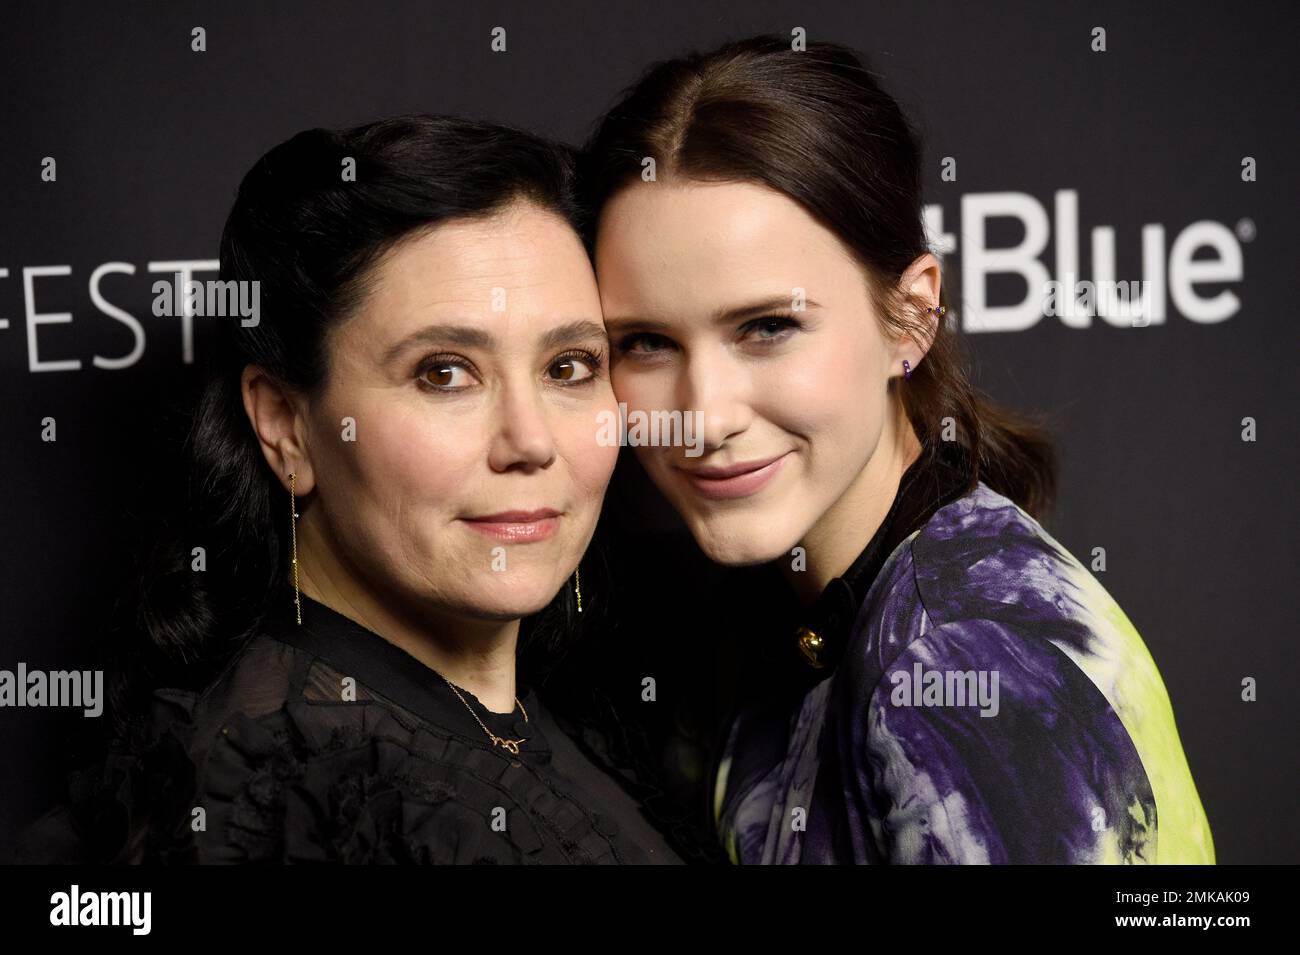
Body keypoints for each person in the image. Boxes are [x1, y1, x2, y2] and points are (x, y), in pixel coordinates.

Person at [579, 35, 1215, 864]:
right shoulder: (805, 617)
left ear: (911, 318)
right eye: (646, 343)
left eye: (768, 327)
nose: (704, 415)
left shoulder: (958, 665)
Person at [12, 114, 681, 864]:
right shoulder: (291, 807)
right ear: (287, 426)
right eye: (444, 372)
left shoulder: (540, 705)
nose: (531, 442)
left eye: (568, 367)